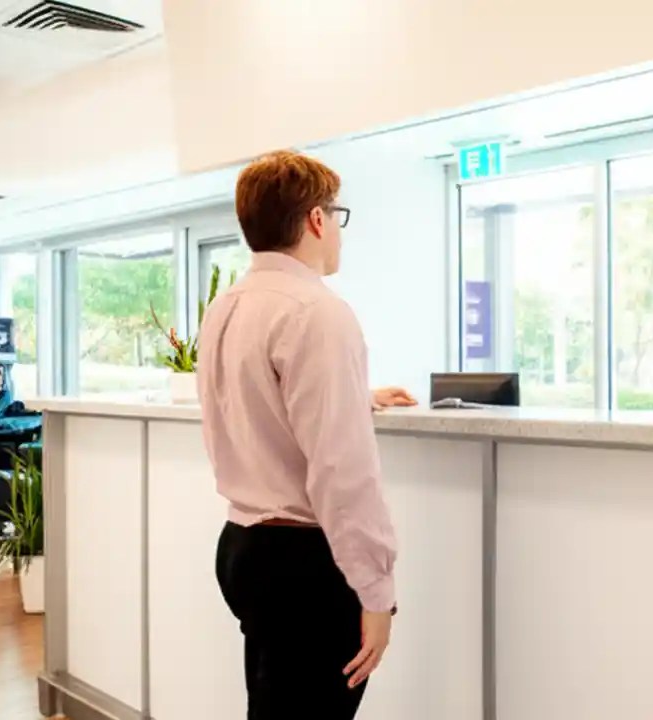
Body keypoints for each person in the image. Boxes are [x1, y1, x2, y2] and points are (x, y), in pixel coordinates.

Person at [197, 150, 415, 719]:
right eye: (336, 215)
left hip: (243, 548)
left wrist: (356, 397)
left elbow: (254, 403)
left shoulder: (226, 306)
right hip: (305, 567)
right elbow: (344, 475)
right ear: (317, 219)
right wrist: (376, 592)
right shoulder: (318, 312)